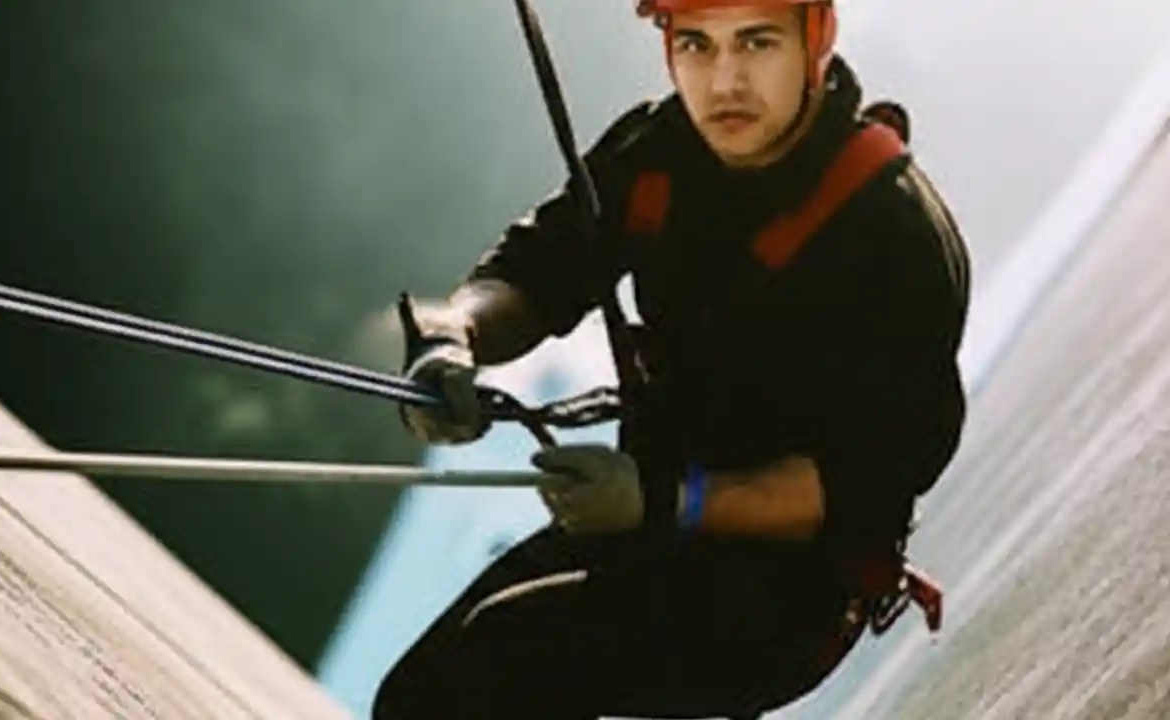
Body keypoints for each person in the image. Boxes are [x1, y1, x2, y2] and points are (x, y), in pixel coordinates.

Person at [373, 0, 970, 717]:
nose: (724, 81)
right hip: (645, 527)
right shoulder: (659, 154)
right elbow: (536, 271)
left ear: (818, 37)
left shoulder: (893, 232)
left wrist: (665, 500)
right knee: (420, 700)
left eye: (756, 42)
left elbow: (866, 484)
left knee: (505, 660)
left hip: (786, 591)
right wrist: (453, 338)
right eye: (695, 44)